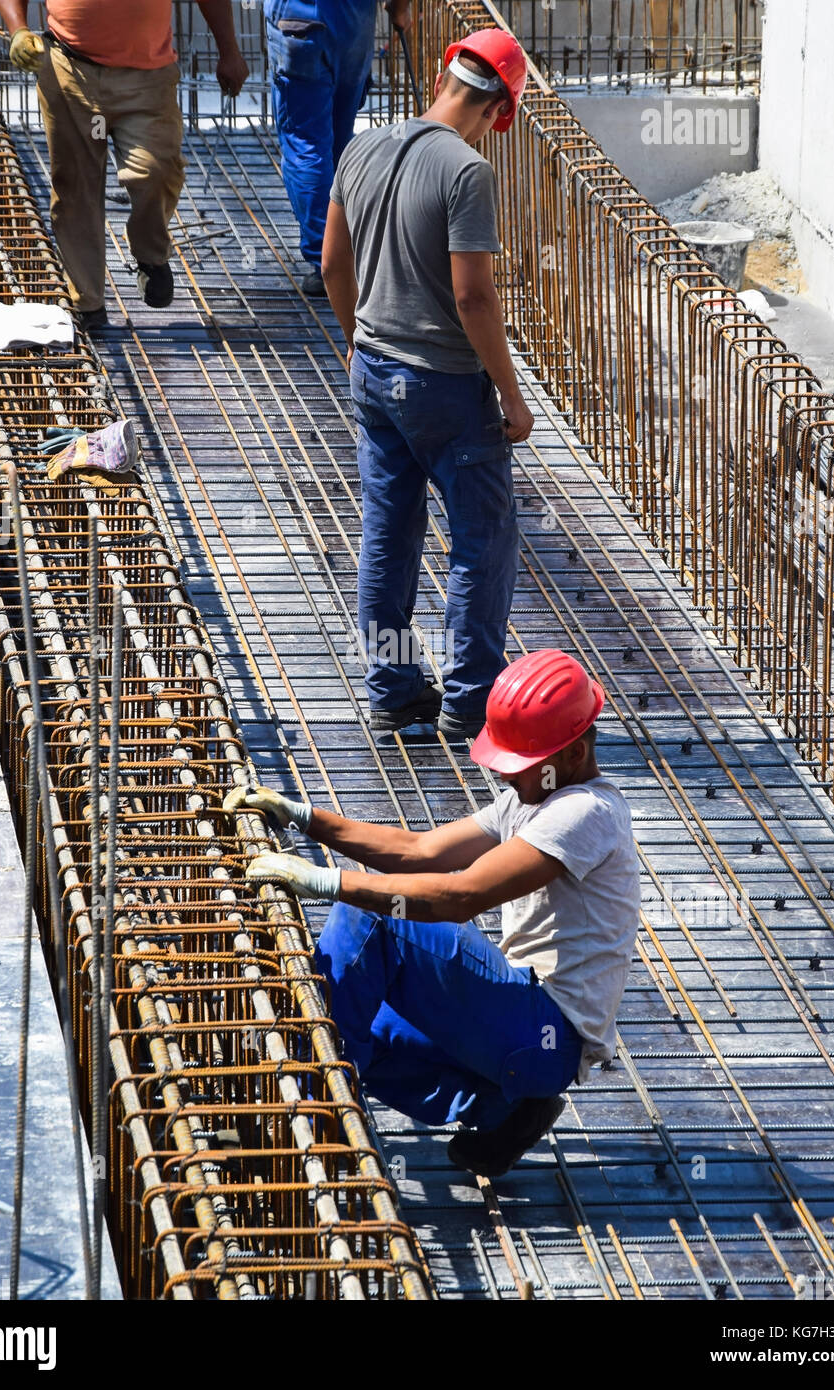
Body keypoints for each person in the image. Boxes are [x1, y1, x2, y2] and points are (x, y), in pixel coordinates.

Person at [229, 650, 641, 1178]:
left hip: (545, 1032)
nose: (502, 774)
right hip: (519, 1033)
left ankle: (311, 1115)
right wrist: (305, 818)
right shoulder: (533, 795)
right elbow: (420, 852)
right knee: (362, 1023)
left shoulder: (586, 812)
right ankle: (504, 1110)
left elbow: (462, 895)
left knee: (373, 917)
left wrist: (323, 881)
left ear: (573, 754)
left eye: (517, 765)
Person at [322, 29, 535, 740]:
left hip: (375, 374)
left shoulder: (360, 147)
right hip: (445, 385)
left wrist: (357, 341)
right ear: (499, 111)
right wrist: (510, 392)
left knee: (388, 535)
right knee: (481, 541)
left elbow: (331, 266)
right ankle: (470, 702)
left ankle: (394, 689)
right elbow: (473, 298)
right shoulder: (467, 172)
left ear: (445, 76)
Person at [0, 1, 249, 331]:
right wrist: (18, 30)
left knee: (156, 171)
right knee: (75, 189)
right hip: (69, 68)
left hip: (147, 78)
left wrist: (229, 50)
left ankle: (150, 252)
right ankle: (88, 303)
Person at [263, 0, 411, 297]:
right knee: (338, 142)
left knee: (305, 142)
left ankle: (327, 259)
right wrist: (400, 6)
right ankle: (347, 249)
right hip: (353, 26)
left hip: (301, 23)